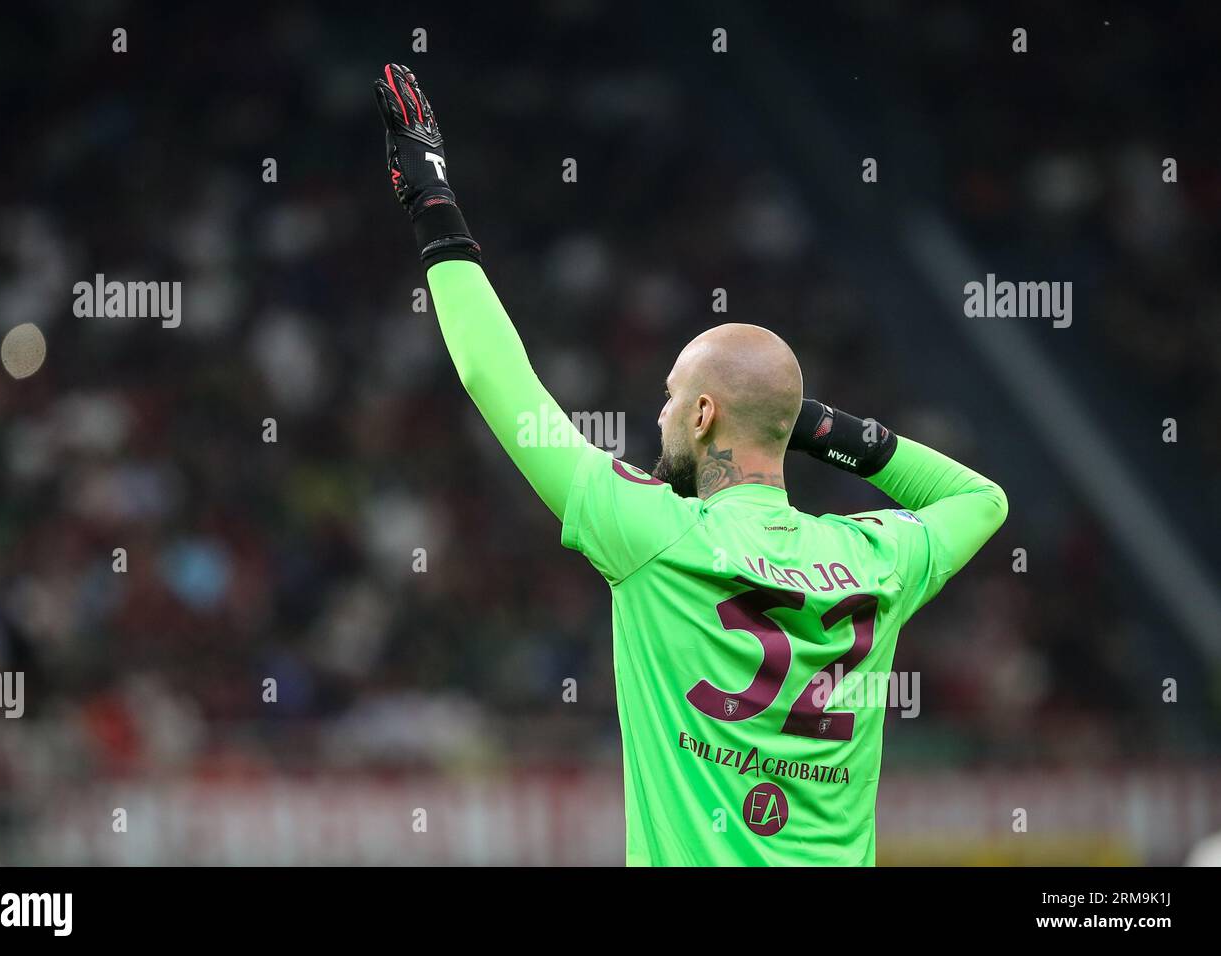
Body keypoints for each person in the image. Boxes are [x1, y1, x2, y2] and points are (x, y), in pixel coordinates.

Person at [373, 64, 1008, 865]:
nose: (661, 412)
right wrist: (809, 423)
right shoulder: (874, 559)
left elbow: (495, 379)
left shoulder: (652, 534)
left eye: (674, 397)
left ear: (704, 416)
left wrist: (431, 201)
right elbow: (980, 498)